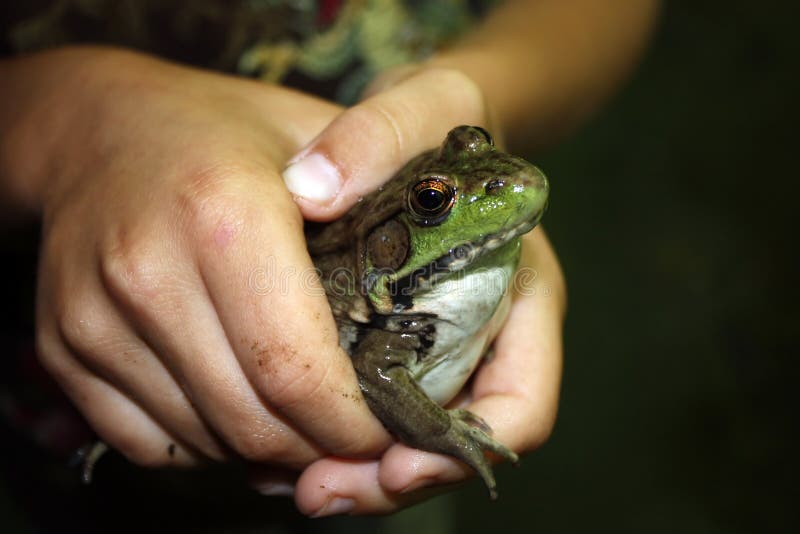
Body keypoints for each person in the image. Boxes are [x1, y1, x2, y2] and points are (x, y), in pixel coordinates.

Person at [0, 0, 660, 517]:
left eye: (477, 147)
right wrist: (61, 127)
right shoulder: (388, 325)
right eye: (434, 200)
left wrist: (480, 87)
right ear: (393, 240)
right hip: (91, 400)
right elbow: (377, 370)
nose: (501, 183)